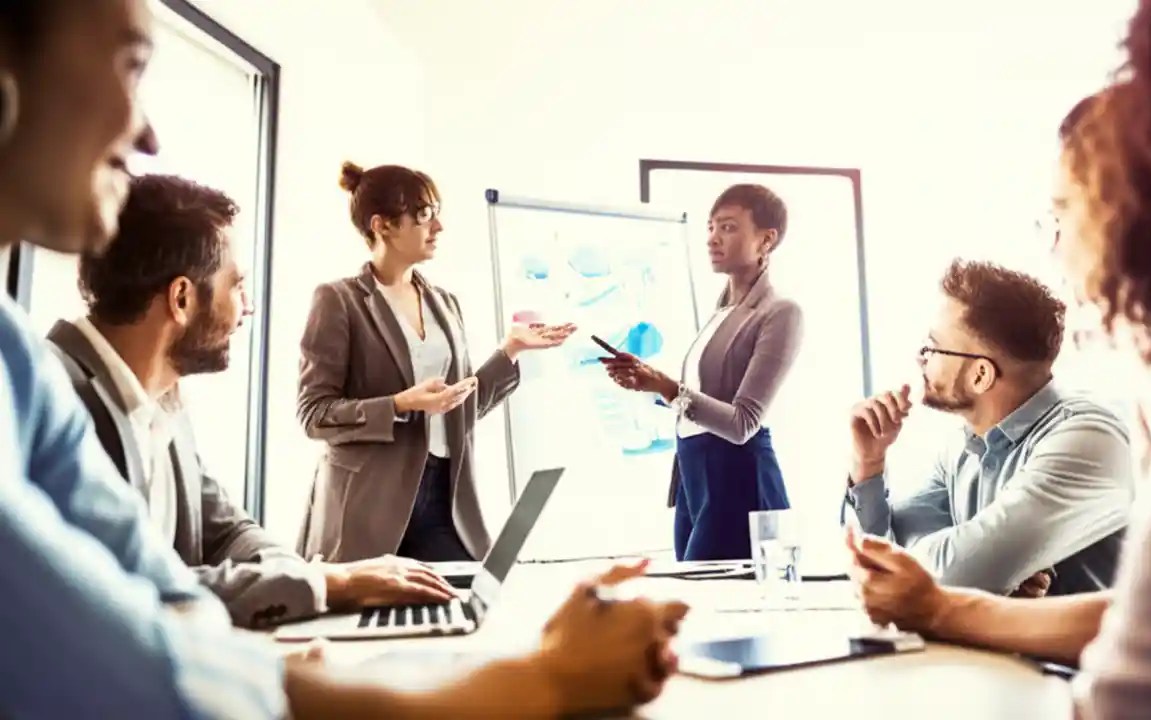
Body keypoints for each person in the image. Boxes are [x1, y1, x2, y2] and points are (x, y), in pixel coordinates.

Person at [0, 1, 685, 717]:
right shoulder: (330, 303)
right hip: (374, 513)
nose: (146, 132)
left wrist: (506, 356)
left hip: (444, 510)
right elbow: (137, 654)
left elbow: (172, 591)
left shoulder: (46, 372)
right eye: (130, 64)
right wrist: (541, 681)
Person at [858, 1, 1151, 711]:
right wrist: (944, 597)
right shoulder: (967, 443)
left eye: (1064, 210)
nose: (1055, 244)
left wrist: (948, 597)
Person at [49, 172, 461, 628]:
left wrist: (311, 578)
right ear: (181, 298)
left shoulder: (162, 400)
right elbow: (129, 589)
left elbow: (225, 530)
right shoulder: (54, 399)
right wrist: (328, 586)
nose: (247, 307)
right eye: (236, 285)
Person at [296, 161, 576, 563]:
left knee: (474, 606)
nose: (438, 227)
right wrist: (398, 405)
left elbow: (456, 411)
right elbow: (314, 415)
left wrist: (509, 351)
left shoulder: (444, 303)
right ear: (383, 225)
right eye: (424, 215)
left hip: (446, 498)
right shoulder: (338, 301)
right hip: (368, 508)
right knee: (374, 623)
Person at [843, 258, 1132, 596]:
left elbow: (952, 574)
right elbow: (878, 557)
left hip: (1082, 650)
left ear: (980, 375)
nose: (921, 358)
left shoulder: (1087, 439)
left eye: (933, 348)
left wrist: (979, 567)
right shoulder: (963, 446)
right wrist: (869, 466)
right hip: (997, 648)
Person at [601, 184, 803, 561]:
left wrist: (665, 385)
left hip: (738, 481)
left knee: (719, 604)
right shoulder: (721, 312)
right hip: (695, 479)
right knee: (693, 600)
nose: (713, 239)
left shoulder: (780, 312)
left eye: (727, 228)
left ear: (766, 240)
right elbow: (701, 399)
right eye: (710, 228)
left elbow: (743, 422)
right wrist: (651, 382)